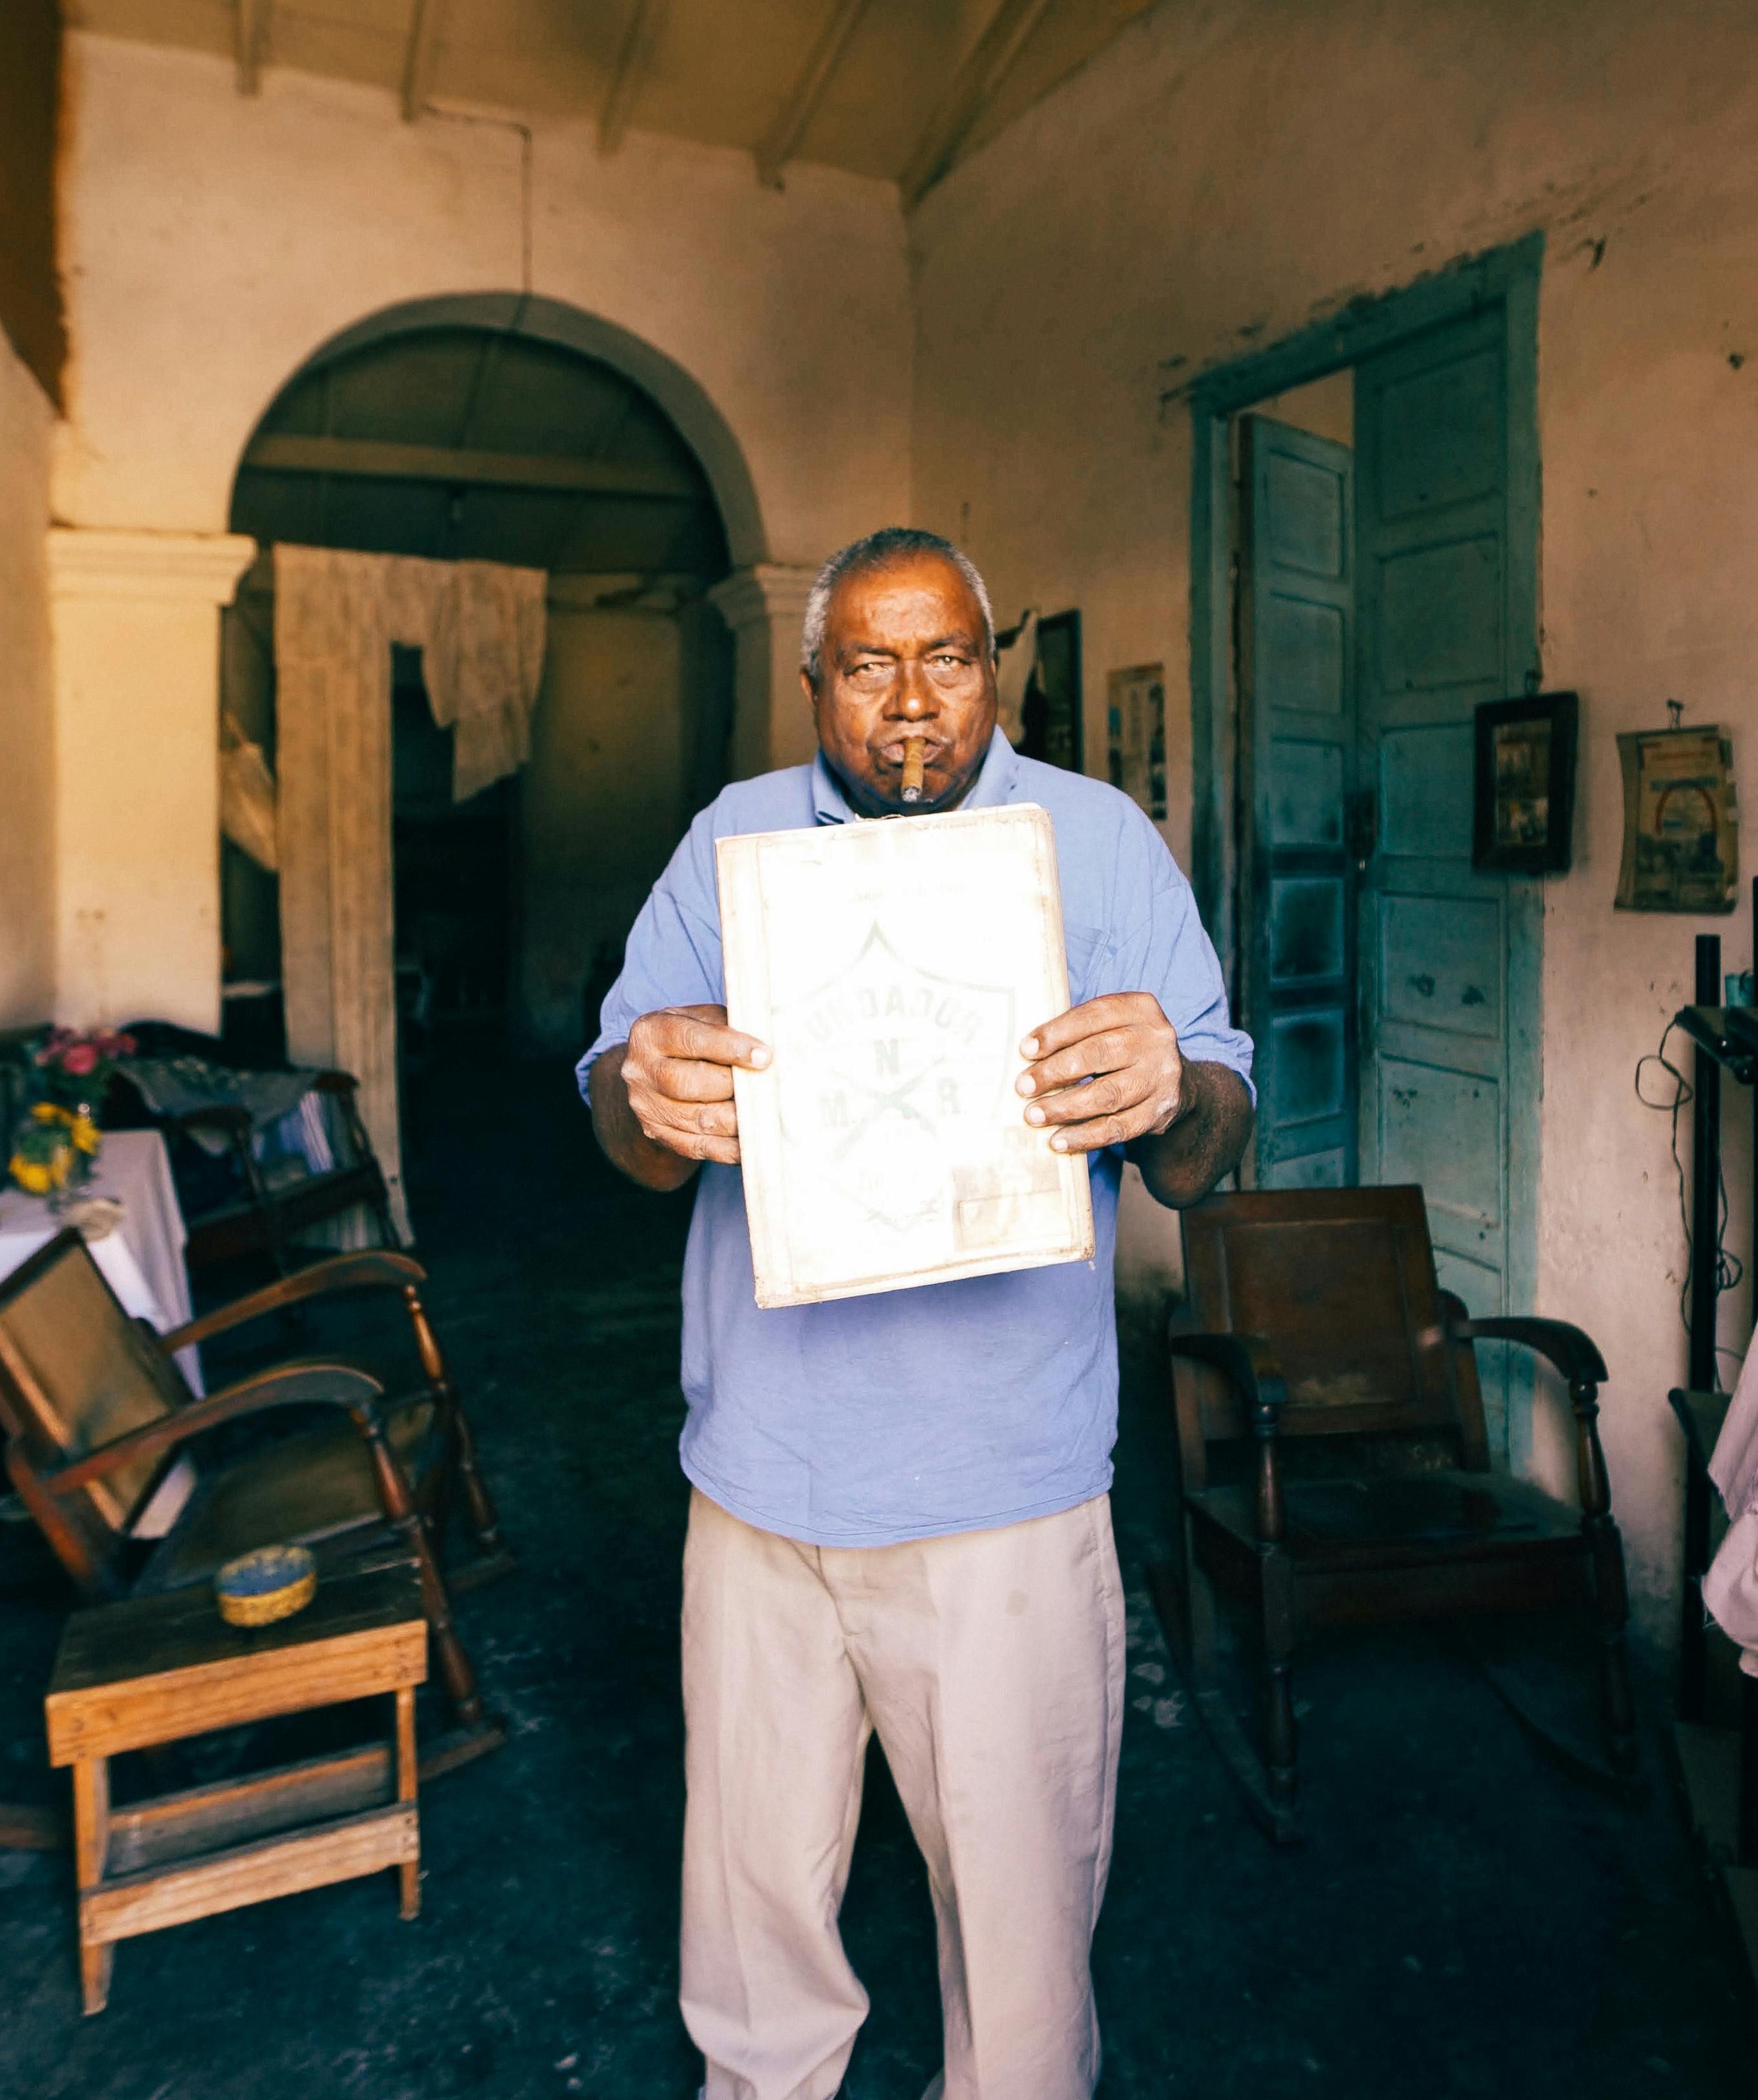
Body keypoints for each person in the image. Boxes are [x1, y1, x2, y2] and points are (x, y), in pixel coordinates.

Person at [578, 528, 1255, 2100]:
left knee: (1020, 1949)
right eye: (868, 666)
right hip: (762, 1482)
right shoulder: (734, 844)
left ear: (992, 667)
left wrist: (1174, 1085)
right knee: (753, 1922)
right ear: (814, 681)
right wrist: (642, 1088)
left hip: (1005, 1491)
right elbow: (614, 1123)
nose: (910, 705)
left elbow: (1212, 1151)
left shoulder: (1094, 840)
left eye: (946, 660)